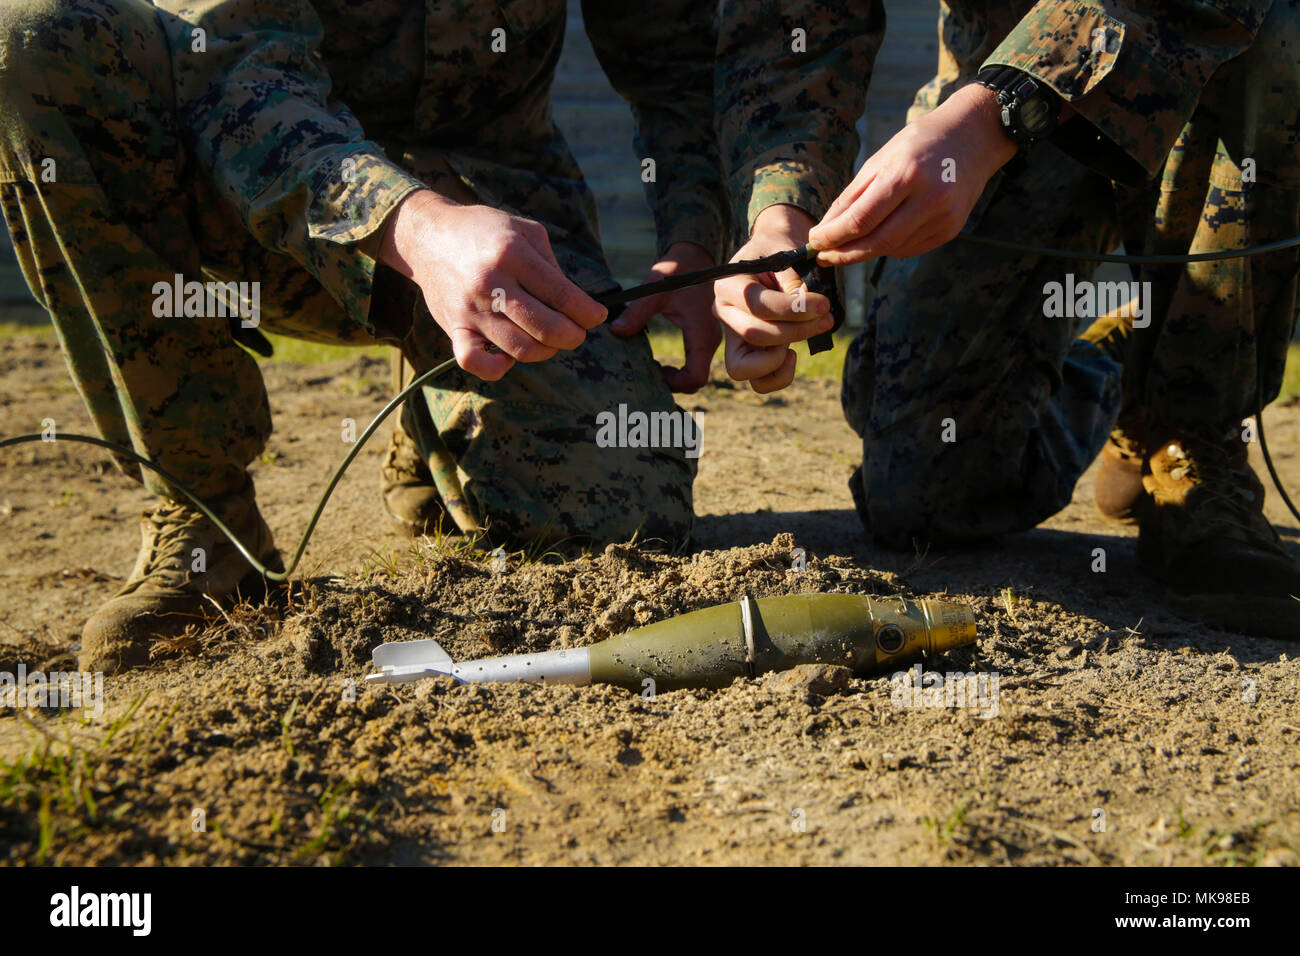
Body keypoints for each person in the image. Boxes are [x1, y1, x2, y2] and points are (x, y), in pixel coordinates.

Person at [0, 0, 729, 673]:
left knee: (626, 518)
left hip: (505, 216)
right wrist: (410, 222)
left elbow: (673, 64)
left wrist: (697, 242)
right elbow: (241, 72)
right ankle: (203, 512)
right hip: (255, 200)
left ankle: (435, 413)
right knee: (34, 38)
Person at [714, 0, 1300, 626]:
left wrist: (997, 112)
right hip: (997, 116)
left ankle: (1194, 426)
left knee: (1280, 31)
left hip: (1188, 71)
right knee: (930, 496)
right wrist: (782, 209)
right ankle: (1118, 358)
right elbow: (794, 29)